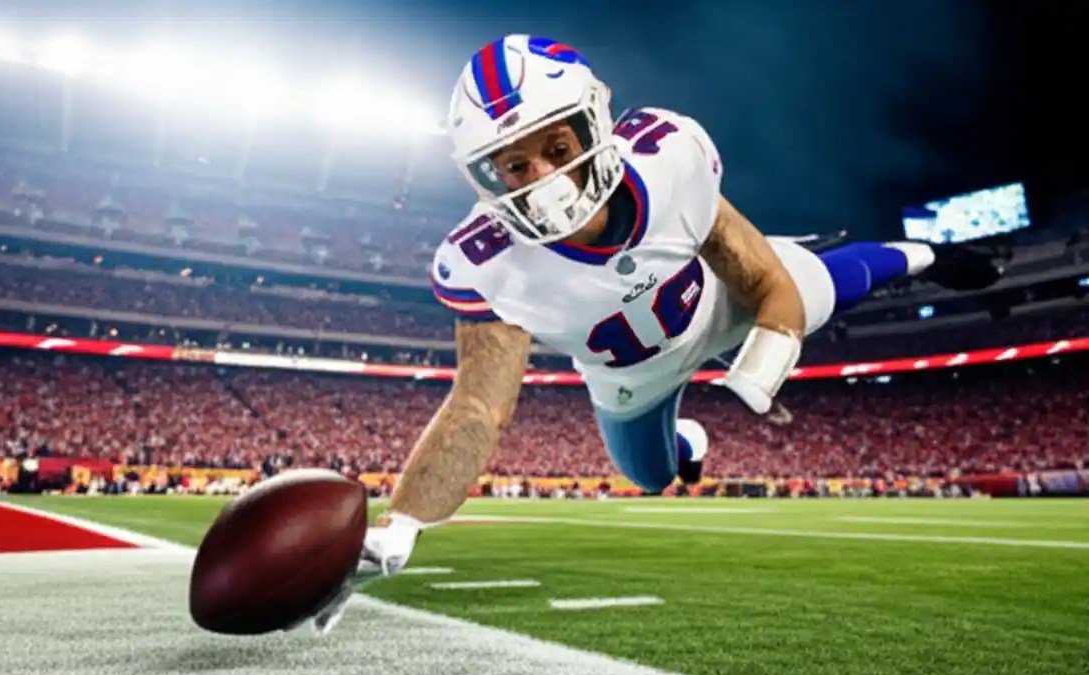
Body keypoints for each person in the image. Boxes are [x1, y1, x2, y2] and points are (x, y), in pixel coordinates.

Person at [311, 34, 998, 633]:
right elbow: (477, 408)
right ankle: (686, 437)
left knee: (816, 282)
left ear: (594, 126)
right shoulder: (485, 263)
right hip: (630, 376)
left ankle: (922, 255)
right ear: (485, 178)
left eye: (557, 147)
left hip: (720, 300)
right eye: (516, 166)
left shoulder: (669, 156)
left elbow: (766, 286)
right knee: (649, 473)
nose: (545, 182)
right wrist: (400, 528)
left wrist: (763, 364)